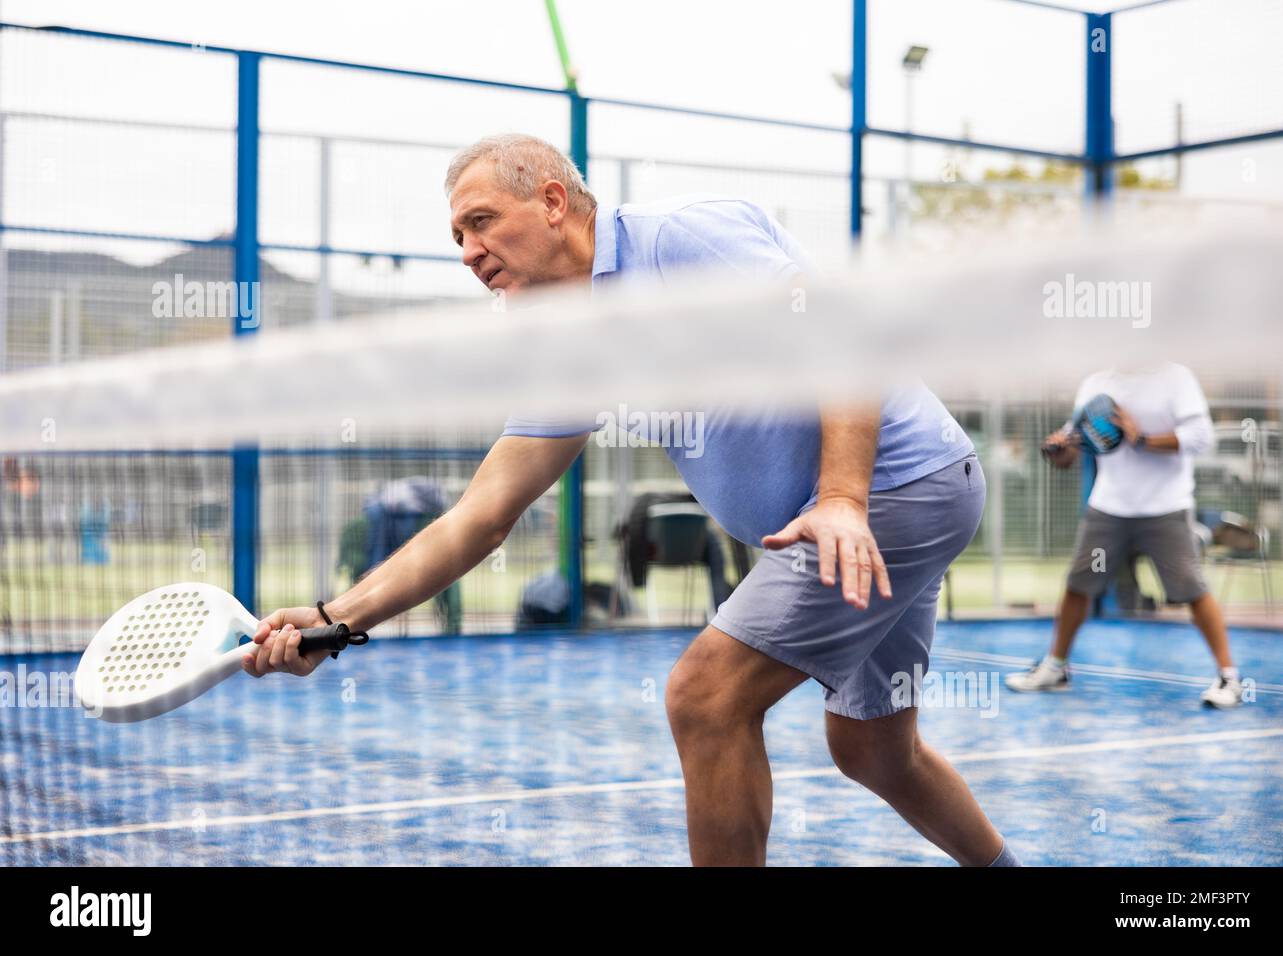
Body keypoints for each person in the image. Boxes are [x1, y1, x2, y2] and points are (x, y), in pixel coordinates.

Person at [244, 133, 1018, 867]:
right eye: (457, 239)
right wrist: (337, 619)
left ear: (552, 201)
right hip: (893, 503)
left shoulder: (684, 240)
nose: (470, 253)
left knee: (705, 697)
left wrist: (844, 499)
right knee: (875, 751)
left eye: (481, 223)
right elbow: (482, 514)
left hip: (894, 491)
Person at [1011, 361, 1243, 708]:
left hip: (1166, 509)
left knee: (1192, 590)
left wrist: (1142, 439)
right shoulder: (1095, 382)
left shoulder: (1175, 377)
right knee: (1078, 586)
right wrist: (1061, 449)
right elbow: (1078, 446)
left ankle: (1229, 679)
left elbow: (1201, 438)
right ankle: (1055, 668)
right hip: (1108, 510)